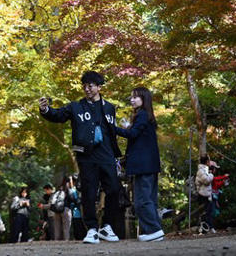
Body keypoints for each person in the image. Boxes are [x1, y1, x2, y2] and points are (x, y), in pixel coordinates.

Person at [39, 70, 122, 244]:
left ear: (99, 87)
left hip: (107, 155)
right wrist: (45, 109)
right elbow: (58, 115)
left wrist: (116, 156)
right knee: (89, 193)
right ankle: (91, 229)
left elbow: (112, 133)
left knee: (114, 189)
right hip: (86, 156)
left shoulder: (109, 108)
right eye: (84, 86)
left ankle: (107, 226)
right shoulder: (75, 107)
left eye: (90, 86)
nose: (87, 89)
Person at [115, 87, 164, 242]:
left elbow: (132, 134)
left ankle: (154, 230)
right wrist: (128, 127)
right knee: (149, 199)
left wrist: (113, 129)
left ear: (144, 99)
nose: (132, 100)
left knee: (142, 200)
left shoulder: (142, 114)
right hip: (150, 165)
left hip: (143, 165)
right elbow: (136, 133)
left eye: (135, 97)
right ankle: (153, 231)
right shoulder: (147, 116)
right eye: (131, 97)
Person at [195, 155, 215, 234]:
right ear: (206, 162)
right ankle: (205, 230)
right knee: (204, 213)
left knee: (209, 212)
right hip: (203, 195)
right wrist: (211, 175)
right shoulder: (201, 171)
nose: (210, 162)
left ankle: (209, 228)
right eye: (209, 161)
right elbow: (206, 180)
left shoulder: (205, 170)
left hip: (206, 194)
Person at [50, 176, 72, 241]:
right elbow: (72, 198)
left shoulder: (57, 190)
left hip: (56, 210)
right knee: (66, 227)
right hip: (65, 209)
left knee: (57, 228)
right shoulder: (68, 190)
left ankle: (57, 242)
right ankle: (66, 241)